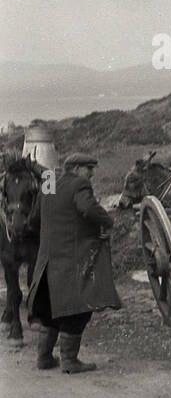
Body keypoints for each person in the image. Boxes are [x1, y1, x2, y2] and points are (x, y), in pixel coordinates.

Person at [26, 153, 121, 373]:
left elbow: (34, 219)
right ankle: (69, 360)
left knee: (49, 310)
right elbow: (87, 208)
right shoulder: (79, 184)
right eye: (89, 168)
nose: (91, 173)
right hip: (72, 260)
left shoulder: (49, 184)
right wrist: (107, 221)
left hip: (47, 262)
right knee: (77, 308)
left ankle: (44, 358)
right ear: (76, 168)